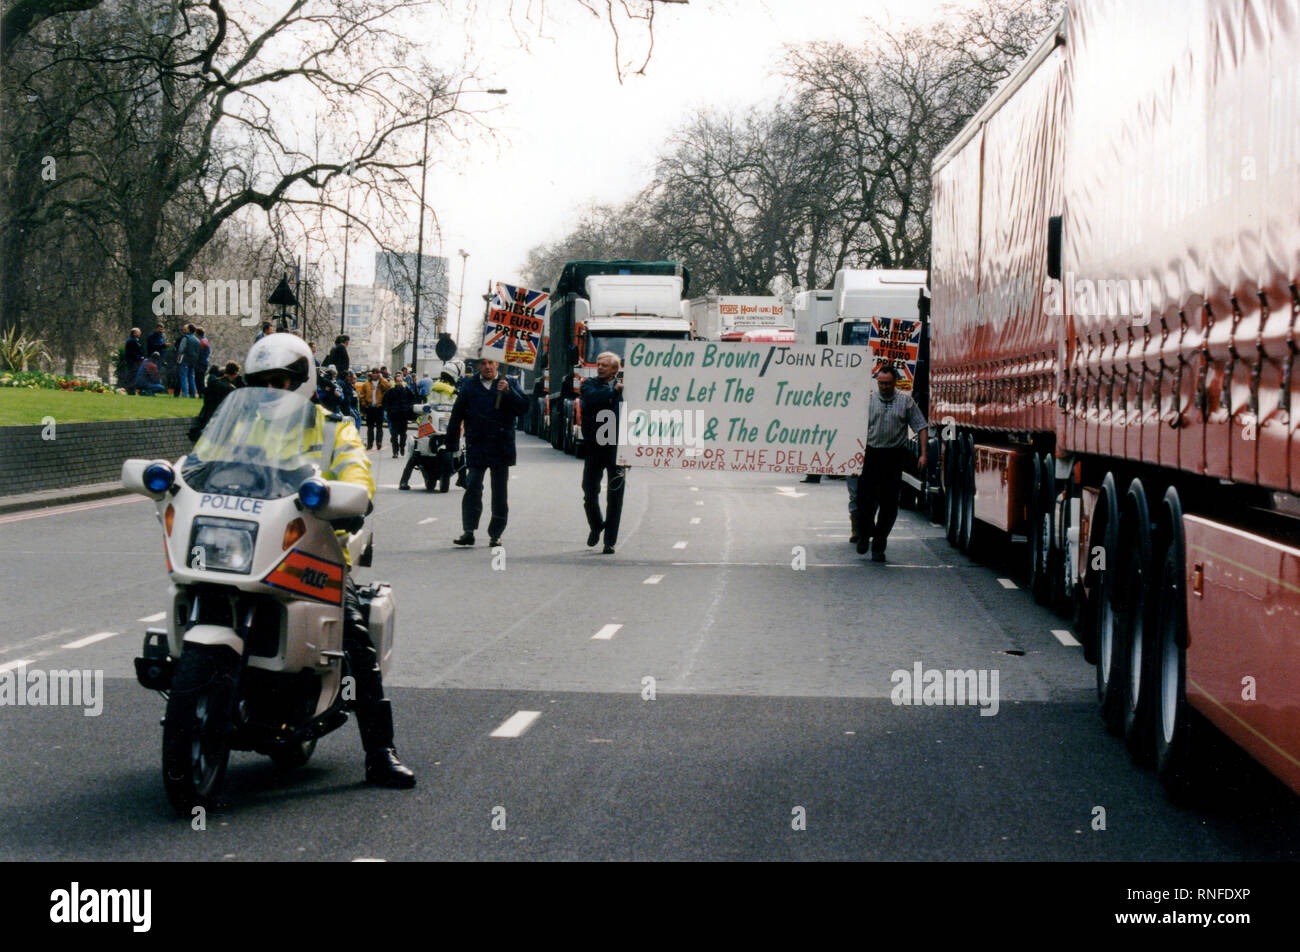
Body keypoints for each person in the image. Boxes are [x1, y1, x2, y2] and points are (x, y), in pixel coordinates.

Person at [239, 333, 415, 788]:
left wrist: (351, 498)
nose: (273, 391)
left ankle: (380, 754)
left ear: (302, 381)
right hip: (255, 550)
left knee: (356, 641)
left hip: (316, 551)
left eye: (281, 381)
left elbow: (359, 476)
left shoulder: (335, 427)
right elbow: (210, 465)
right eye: (264, 382)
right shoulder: (245, 428)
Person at [446, 356, 527, 546]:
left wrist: (508, 393)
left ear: (498, 364)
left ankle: (496, 533)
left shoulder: (510, 382)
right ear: (477, 366)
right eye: (483, 363)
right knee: (472, 486)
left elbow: (523, 408)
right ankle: (468, 531)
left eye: (491, 362)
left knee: (499, 492)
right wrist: (452, 443)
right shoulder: (469, 385)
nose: (488, 367)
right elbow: (457, 413)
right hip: (477, 444)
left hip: (501, 445)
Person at [856, 365, 928, 563]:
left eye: (888, 384)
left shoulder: (906, 402)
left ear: (895, 382)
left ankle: (879, 545)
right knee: (865, 501)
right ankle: (864, 534)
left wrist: (923, 454)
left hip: (894, 457)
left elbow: (921, 426)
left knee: (889, 505)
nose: (884, 387)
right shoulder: (868, 400)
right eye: (881, 383)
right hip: (870, 455)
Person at [579, 351, 626, 554]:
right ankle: (596, 525)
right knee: (589, 491)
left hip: (617, 448)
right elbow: (591, 399)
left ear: (615, 369)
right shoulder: (589, 384)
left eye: (604, 365)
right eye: (598, 364)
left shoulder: (626, 389)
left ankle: (610, 541)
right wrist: (613, 392)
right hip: (594, 446)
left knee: (615, 496)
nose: (599, 367)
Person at [189, 361, 241, 441]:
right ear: (235, 373)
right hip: (219, 421)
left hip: (206, 416)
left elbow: (206, 398)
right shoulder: (231, 389)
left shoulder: (214, 382)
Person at [357, 368, 392, 451]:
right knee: (370, 427)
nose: (375, 374)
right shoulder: (366, 384)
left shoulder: (381, 383)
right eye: (373, 373)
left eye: (377, 373)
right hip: (370, 408)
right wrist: (365, 404)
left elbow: (388, 387)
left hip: (379, 407)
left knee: (379, 427)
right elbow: (362, 395)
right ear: (371, 374)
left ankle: (379, 442)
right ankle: (370, 443)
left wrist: (381, 378)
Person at [382, 371, 416, 457]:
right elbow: (385, 402)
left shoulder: (406, 390)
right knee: (394, 435)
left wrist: (409, 409)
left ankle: (402, 446)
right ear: (395, 382)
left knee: (403, 434)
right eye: (397, 381)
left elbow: (413, 399)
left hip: (403, 416)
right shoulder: (390, 391)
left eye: (400, 381)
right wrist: (389, 411)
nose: (399, 382)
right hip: (394, 416)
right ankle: (395, 452)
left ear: (403, 381)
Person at [124, 328, 144, 393]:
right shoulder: (132, 341)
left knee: (133, 375)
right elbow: (133, 352)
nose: (140, 333)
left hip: (134, 361)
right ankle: (130, 390)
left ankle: (131, 389)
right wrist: (140, 357)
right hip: (133, 361)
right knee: (132, 375)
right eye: (139, 332)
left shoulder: (134, 340)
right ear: (134, 333)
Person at [194, 326, 211, 397]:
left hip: (200, 362)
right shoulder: (205, 340)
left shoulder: (201, 341)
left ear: (197, 333)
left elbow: (199, 353)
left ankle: (202, 393)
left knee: (199, 379)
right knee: (200, 378)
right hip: (205, 362)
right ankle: (202, 393)